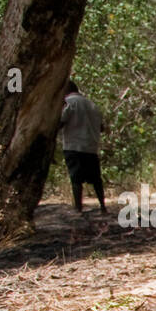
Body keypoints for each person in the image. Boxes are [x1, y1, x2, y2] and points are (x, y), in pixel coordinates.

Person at [58, 80, 107, 215]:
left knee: (76, 179)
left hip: (73, 145)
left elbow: (61, 121)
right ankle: (103, 206)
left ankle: (78, 208)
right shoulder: (92, 105)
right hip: (91, 146)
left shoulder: (69, 103)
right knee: (96, 179)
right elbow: (101, 127)